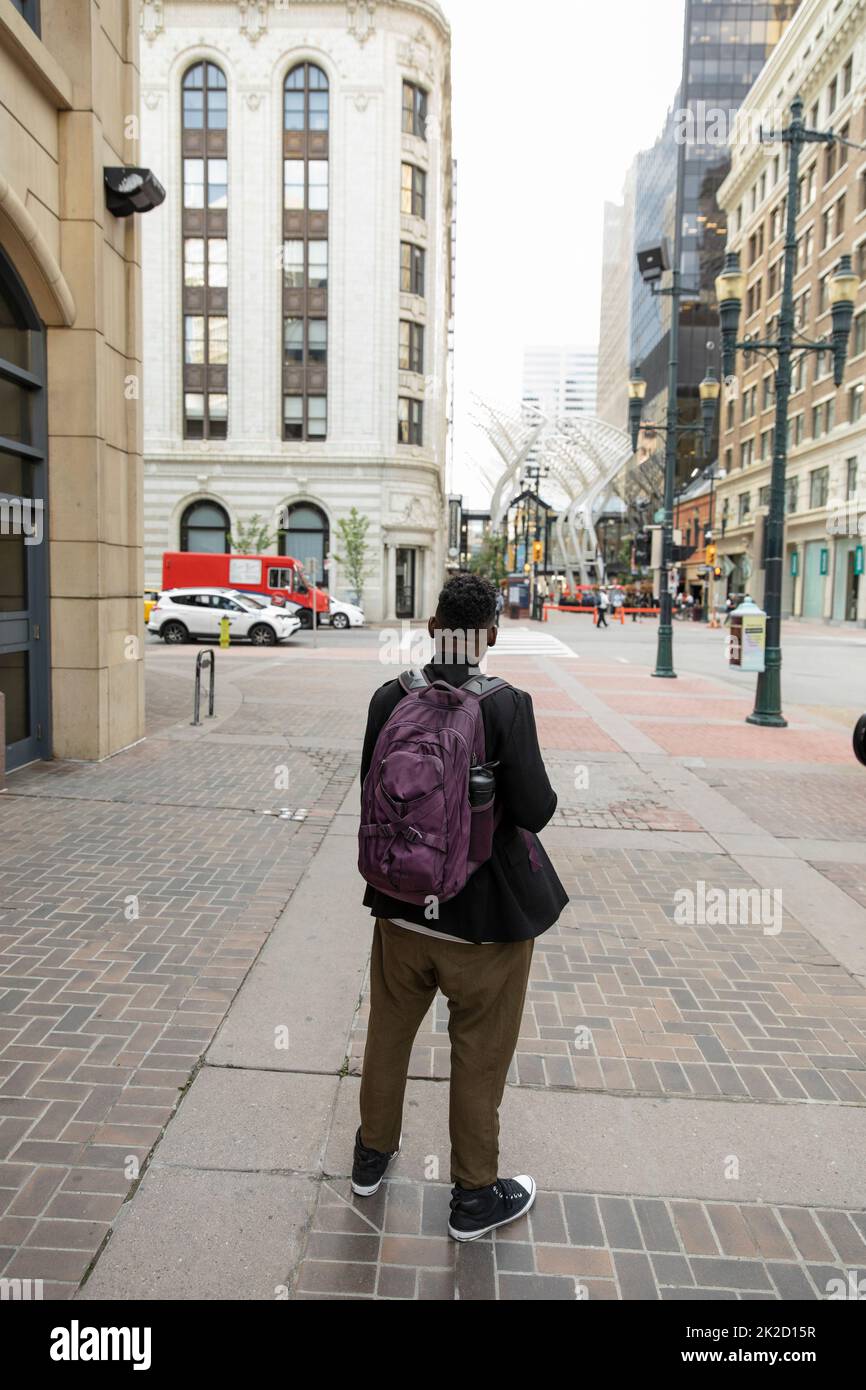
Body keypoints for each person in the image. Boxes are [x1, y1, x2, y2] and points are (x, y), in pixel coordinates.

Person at [355, 572, 568, 1241]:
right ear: (492, 637)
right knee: (478, 1055)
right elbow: (535, 809)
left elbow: (370, 787)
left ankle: (369, 1157)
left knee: (388, 1034)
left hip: (398, 907)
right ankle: (474, 1197)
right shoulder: (508, 706)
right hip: (484, 926)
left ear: (430, 626)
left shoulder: (390, 698)